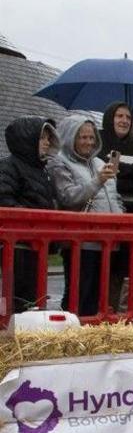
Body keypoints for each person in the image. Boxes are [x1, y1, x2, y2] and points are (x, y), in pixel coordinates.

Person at [46, 114, 123, 316]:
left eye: (91, 137)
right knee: (79, 295)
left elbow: (115, 197)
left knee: (100, 296)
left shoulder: (99, 163)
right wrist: (97, 180)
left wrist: (121, 219)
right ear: (70, 137)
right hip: (80, 243)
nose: (88, 142)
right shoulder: (59, 163)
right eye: (82, 137)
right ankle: (70, 334)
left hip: (108, 240)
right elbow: (68, 197)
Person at [0, 116, 59, 312]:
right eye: (43, 137)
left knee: (34, 298)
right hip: (17, 246)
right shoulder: (9, 167)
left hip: (37, 244)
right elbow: (4, 200)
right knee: (17, 299)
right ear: (28, 139)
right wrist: (31, 222)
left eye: (49, 138)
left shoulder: (42, 170)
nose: (47, 142)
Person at [98, 102, 133, 212]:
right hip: (102, 205)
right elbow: (97, 163)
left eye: (128, 117)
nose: (125, 121)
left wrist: (117, 167)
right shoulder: (97, 139)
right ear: (110, 118)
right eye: (119, 116)